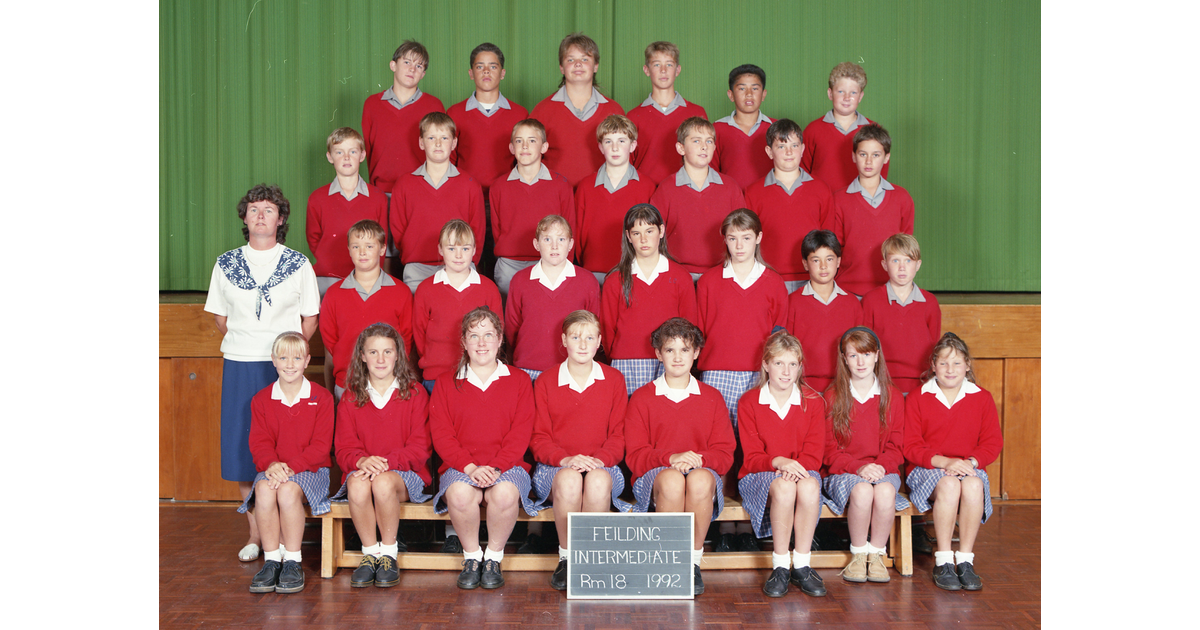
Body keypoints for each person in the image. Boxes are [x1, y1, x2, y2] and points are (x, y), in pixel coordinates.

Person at [204, 184, 319, 563]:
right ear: (244, 217)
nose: (260, 215)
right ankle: (256, 535)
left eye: (269, 209)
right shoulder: (225, 263)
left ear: (281, 219)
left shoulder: (298, 263)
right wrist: (248, 343)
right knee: (244, 450)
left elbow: (309, 318)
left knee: (284, 448)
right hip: (240, 362)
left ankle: (289, 538)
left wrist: (287, 357)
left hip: (282, 369)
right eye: (254, 209)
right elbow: (221, 318)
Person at [429, 307, 538, 590]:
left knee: (503, 494)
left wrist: (497, 467)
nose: (481, 343)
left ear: (499, 339)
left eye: (488, 335)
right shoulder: (446, 383)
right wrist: (470, 467)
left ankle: (493, 558)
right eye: (473, 335)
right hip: (462, 466)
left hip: (507, 465)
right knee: (461, 494)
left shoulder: (519, 380)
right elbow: (442, 434)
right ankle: (472, 557)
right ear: (463, 341)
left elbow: (521, 432)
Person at [626, 318, 736, 596]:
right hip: (656, 476)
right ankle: (668, 560)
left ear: (696, 352)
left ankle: (691, 562)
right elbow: (635, 455)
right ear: (658, 354)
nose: (677, 357)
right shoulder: (642, 397)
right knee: (674, 480)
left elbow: (724, 454)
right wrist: (671, 457)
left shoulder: (712, 397)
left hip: (701, 472)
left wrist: (698, 458)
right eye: (670, 350)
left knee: (699, 480)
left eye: (684, 350)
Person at [530, 310, 629, 591]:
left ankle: (591, 560)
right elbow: (539, 438)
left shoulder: (614, 379)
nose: (583, 344)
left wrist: (598, 461)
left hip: (603, 466)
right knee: (570, 479)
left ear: (599, 341)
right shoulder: (547, 380)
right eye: (575, 337)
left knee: (597, 481)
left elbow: (618, 436)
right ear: (564, 340)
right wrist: (567, 459)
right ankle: (567, 558)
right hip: (556, 467)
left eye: (589, 338)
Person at [332, 323, 432, 589]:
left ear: (398, 354)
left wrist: (385, 463)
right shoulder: (351, 396)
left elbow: (420, 447)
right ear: (362, 356)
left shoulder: (414, 393)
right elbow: (343, 448)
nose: (380, 359)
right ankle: (370, 554)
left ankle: (388, 554)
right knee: (356, 482)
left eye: (387, 352)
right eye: (373, 352)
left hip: (404, 475)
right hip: (364, 471)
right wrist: (362, 461)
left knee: (383, 482)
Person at [904, 333, 1002, 591]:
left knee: (972, 486)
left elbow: (992, 443)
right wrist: (946, 462)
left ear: (967, 365)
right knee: (949, 485)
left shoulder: (982, 397)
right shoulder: (917, 397)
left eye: (957, 363)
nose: (950, 369)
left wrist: (970, 461)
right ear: (933, 365)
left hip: (969, 466)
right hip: (928, 467)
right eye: (944, 363)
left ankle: (965, 560)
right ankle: (944, 560)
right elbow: (911, 446)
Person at [243, 332, 335, 594]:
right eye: (283, 357)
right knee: (263, 489)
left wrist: (290, 468)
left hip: (311, 469)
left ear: (307, 361)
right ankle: (272, 560)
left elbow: (320, 447)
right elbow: (259, 443)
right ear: (273, 360)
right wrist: (272, 464)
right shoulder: (261, 400)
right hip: (273, 469)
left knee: (287, 490)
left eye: (297, 358)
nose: (290, 364)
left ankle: (293, 561)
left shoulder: (322, 398)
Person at [736, 331, 826, 598]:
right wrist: (779, 462)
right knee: (785, 489)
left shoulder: (813, 402)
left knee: (809, 487)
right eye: (779, 363)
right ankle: (779, 566)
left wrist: (791, 466)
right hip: (759, 474)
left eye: (793, 364)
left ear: (800, 367)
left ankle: (801, 564)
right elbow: (752, 458)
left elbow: (814, 456)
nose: (786, 372)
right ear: (766, 364)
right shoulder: (749, 402)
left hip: (801, 472)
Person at [821, 327, 909, 584]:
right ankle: (859, 555)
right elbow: (828, 449)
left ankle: (877, 555)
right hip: (845, 471)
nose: (860, 362)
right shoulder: (833, 396)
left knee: (883, 491)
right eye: (853, 356)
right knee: (862, 491)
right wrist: (858, 467)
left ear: (877, 356)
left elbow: (896, 445)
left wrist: (879, 467)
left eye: (866, 354)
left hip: (883, 469)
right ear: (844, 359)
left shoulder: (892, 396)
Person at [696, 209, 787, 424]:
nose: (739, 246)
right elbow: (699, 329)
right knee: (716, 433)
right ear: (724, 239)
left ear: (758, 237)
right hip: (717, 371)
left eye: (746, 238)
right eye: (732, 238)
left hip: (759, 373)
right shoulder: (708, 281)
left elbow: (780, 333)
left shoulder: (774, 283)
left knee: (755, 434)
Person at [601, 204, 697, 395]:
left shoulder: (680, 276)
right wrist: (621, 354)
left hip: (669, 361)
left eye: (649, 231)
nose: (643, 239)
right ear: (629, 237)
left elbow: (689, 325)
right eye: (636, 233)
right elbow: (607, 327)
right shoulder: (615, 280)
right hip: (627, 362)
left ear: (661, 231)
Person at [391, 112, 486, 292]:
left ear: (454, 143)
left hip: (459, 267)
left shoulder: (470, 184)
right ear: (421, 142)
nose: (438, 143)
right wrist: (413, 251)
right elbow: (398, 230)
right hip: (417, 267)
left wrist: (467, 262)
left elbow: (477, 231)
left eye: (444, 138)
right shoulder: (404, 184)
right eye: (431, 137)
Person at [318, 220, 413, 400]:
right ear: (349, 250)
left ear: (383, 249)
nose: (362, 252)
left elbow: (406, 339)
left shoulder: (401, 292)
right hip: (347, 383)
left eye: (369, 246)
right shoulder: (333, 294)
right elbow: (331, 342)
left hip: (388, 384)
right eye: (356, 246)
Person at [505, 215, 600, 381]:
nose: (554, 246)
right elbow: (512, 327)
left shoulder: (587, 281)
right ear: (536, 244)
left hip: (572, 368)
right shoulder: (520, 280)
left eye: (561, 239)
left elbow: (594, 326)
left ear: (570, 244)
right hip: (528, 367)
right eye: (547, 239)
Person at [743, 119, 834, 292]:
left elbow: (829, 239)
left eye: (794, 145)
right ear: (769, 151)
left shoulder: (821, 190)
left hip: (812, 279)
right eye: (781, 146)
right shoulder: (753, 193)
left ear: (803, 149)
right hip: (769, 278)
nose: (789, 152)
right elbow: (749, 241)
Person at [487, 119, 575, 297]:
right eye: (519, 141)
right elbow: (497, 229)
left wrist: (565, 265)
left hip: (550, 262)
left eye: (532, 140)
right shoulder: (499, 186)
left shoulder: (561, 185)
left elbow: (569, 228)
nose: (525, 146)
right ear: (512, 148)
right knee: (509, 320)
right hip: (509, 266)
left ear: (544, 147)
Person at [651, 117, 747, 278]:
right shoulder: (665, 189)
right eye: (696, 141)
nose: (704, 147)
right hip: (677, 274)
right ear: (680, 148)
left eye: (709, 141)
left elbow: (744, 233)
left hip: (722, 273)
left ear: (715, 147)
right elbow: (652, 235)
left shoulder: (730, 187)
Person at [413, 220, 502, 391]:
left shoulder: (488, 288)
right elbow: (419, 333)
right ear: (440, 249)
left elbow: (498, 331)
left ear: (474, 250)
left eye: (465, 249)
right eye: (451, 248)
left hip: (478, 375)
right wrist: (433, 360)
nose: (458, 255)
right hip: (436, 375)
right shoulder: (426, 289)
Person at [530, 32, 625, 187]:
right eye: (571, 59)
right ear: (561, 67)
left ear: (596, 66)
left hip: (601, 194)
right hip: (555, 196)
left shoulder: (614, 110)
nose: (578, 64)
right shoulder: (542, 110)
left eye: (585, 59)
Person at [831, 123, 914, 297]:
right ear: (854, 156)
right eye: (863, 154)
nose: (869, 161)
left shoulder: (902, 198)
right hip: (848, 290)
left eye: (876, 155)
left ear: (886, 157)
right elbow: (834, 249)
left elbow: (905, 249)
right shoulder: (838, 199)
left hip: (890, 291)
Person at [306, 127, 389, 298]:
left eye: (352, 151)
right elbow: (314, 239)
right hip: (328, 278)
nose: (346, 157)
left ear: (362, 155)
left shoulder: (378, 198)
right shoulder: (317, 198)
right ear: (330, 157)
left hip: (367, 279)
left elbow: (382, 239)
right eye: (339, 152)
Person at [574, 114, 656, 284]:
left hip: (633, 269)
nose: (615, 148)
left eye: (621, 141)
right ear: (600, 147)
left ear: (632, 146)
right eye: (608, 141)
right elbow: (577, 232)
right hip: (592, 271)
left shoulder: (647, 186)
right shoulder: (585, 187)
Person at [361, 40, 445, 195]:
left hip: (422, 192)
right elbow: (369, 148)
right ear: (393, 65)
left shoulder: (434, 105)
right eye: (407, 62)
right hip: (381, 192)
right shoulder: (372, 104)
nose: (412, 69)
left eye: (419, 66)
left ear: (423, 74)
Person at [785, 230, 863, 393]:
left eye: (829, 259)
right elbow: (787, 349)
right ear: (805, 264)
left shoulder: (852, 303)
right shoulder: (792, 302)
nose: (823, 266)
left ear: (838, 261)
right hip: (803, 387)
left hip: (844, 387)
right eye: (815, 260)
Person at [861, 233, 940, 394]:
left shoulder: (930, 302)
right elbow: (866, 346)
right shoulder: (871, 300)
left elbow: (934, 346)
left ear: (918, 265)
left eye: (908, 260)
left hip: (921, 384)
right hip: (882, 383)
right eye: (895, 260)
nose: (902, 267)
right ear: (884, 264)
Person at [446, 42, 529, 196]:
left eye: (493, 66)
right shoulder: (454, 113)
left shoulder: (520, 114)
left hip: (508, 195)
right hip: (465, 195)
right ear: (471, 73)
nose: (486, 71)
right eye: (479, 67)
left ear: (502, 73)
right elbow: (448, 159)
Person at [624, 41, 708, 185]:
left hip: (686, 192)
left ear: (677, 70)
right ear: (646, 70)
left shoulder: (696, 113)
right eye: (657, 64)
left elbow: (705, 159)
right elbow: (625, 164)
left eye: (669, 64)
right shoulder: (633, 116)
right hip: (646, 195)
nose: (663, 70)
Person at [800, 62, 889, 191]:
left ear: (860, 97)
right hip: (823, 205)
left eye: (853, 93)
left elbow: (881, 173)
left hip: (859, 205)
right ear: (830, 94)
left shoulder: (875, 131)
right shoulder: (813, 130)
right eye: (841, 91)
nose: (847, 98)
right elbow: (801, 172)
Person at [710, 64, 774, 190]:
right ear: (731, 95)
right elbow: (710, 172)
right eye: (742, 89)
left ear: (763, 94)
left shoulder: (776, 128)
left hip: (767, 200)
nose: (749, 94)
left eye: (755, 88)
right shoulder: (716, 130)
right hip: (730, 202)